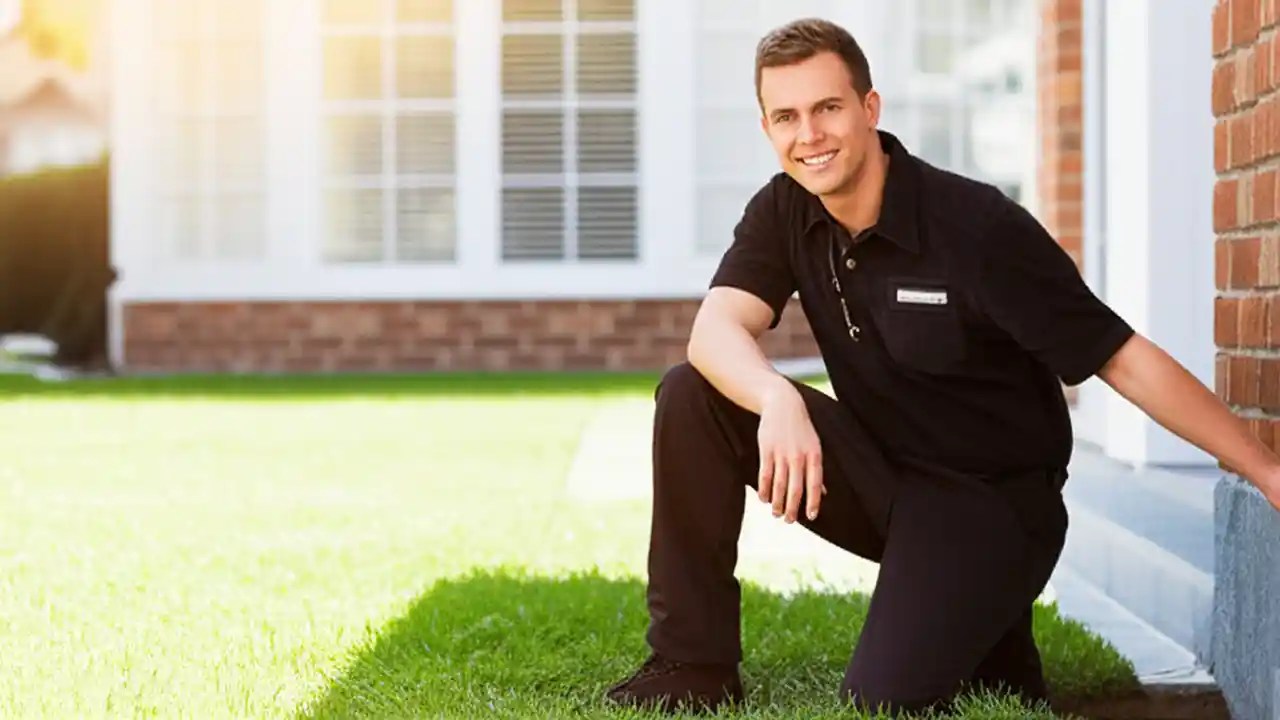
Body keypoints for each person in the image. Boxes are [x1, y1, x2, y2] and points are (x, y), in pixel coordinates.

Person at [602, 15, 1280, 718]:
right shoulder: (784, 209)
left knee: (883, 701)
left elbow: (1121, 357)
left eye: (828, 108)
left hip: (993, 501)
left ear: (870, 108)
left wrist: (1264, 471)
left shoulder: (976, 228)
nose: (810, 135)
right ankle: (691, 667)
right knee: (693, 394)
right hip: (884, 477)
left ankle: (989, 626)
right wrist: (777, 398)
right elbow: (713, 331)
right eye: (787, 116)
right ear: (768, 127)